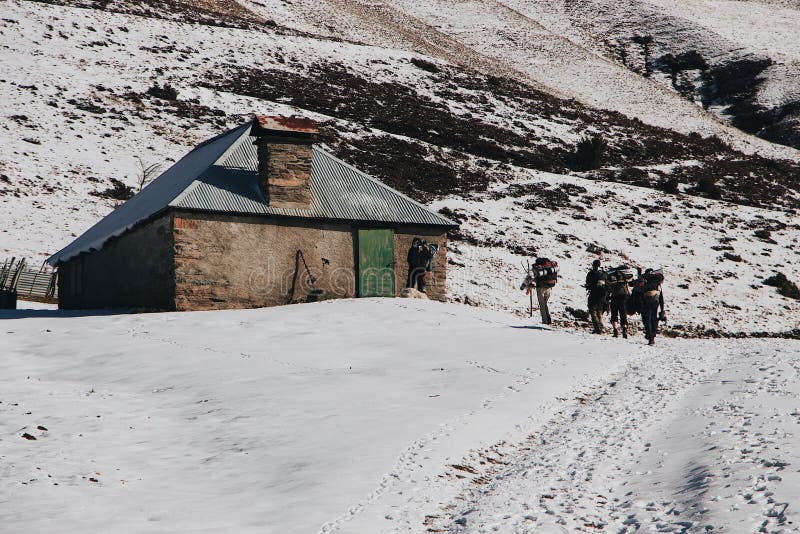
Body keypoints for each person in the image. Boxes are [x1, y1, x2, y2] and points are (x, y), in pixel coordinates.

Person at [520, 257, 558, 324]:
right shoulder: (550, 266)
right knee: (545, 303)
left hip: (540, 288)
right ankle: (548, 319)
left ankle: (545, 321)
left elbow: (529, 277)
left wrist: (523, 286)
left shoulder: (536, 268)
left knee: (542, 304)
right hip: (549, 287)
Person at [639, 268, 666, 345]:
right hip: (656, 300)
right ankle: (652, 336)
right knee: (654, 317)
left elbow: (639, 291)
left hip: (646, 299)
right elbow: (661, 297)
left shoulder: (645, 281)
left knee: (647, 318)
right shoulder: (657, 283)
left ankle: (650, 337)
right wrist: (662, 309)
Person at [607, 265, 632, 338]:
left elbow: (608, 287)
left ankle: (615, 331)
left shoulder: (612, 278)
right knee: (623, 315)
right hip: (624, 297)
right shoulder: (625, 278)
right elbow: (631, 283)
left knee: (614, 315)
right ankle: (624, 330)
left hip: (614, 297)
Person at [585, 258, 607, 334]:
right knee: (600, 312)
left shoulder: (591, 273)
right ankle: (600, 327)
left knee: (592, 311)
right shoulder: (604, 273)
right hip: (603, 295)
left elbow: (588, 284)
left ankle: (597, 328)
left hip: (594, 294)